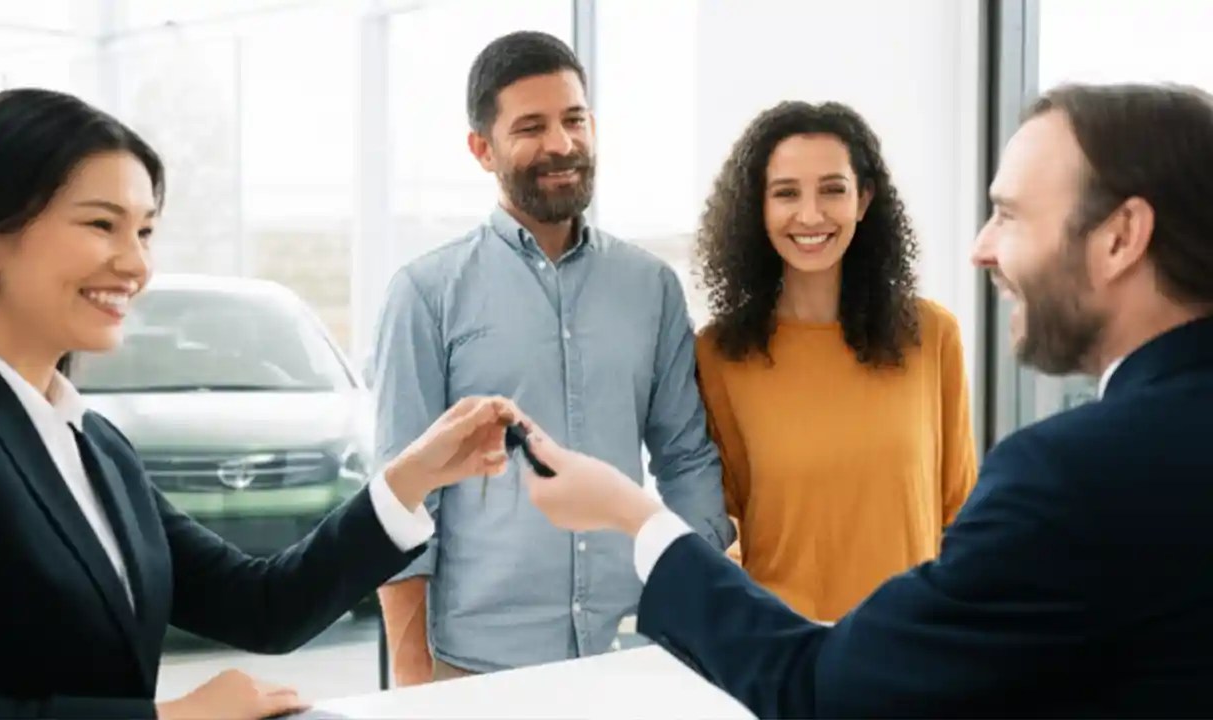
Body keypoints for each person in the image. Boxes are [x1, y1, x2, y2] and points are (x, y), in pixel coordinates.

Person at [522, 82, 1213, 717]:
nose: (981, 248)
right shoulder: (720, 356)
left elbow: (830, 682)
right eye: (785, 192)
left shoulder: (1067, 475)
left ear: (1122, 237)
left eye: (1009, 214)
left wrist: (630, 513)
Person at [0, 87, 524, 720]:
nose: (136, 263)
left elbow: (259, 605)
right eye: (102, 224)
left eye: (146, 231)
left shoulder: (92, 444)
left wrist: (414, 477)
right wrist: (174, 718)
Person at [369, 30, 734, 684]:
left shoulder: (650, 286)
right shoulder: (425, 295)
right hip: (475, 669)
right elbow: (401, 498)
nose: (562, 144)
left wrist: (699, 602)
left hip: (631, 655)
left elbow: (685, 457)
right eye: (530, 127)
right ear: (482, 149)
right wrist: (412, 675)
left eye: (574, 120)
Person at [693, 100, 977, 621]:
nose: (810, 215)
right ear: (758, 207)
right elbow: (722, 522)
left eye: (832, 189)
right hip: (786, 653)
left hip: (909, 643)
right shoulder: (719, 355)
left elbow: (959, 512)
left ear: (864, 199)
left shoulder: (933, 335)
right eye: (785, 194)